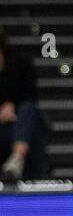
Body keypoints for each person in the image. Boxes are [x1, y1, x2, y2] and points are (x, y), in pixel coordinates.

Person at [0, 33, 44, 182]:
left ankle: (16, 159)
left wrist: (12, 107)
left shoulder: (21, 64)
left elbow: (30, 95)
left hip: (19, 123)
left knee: (28, 110)